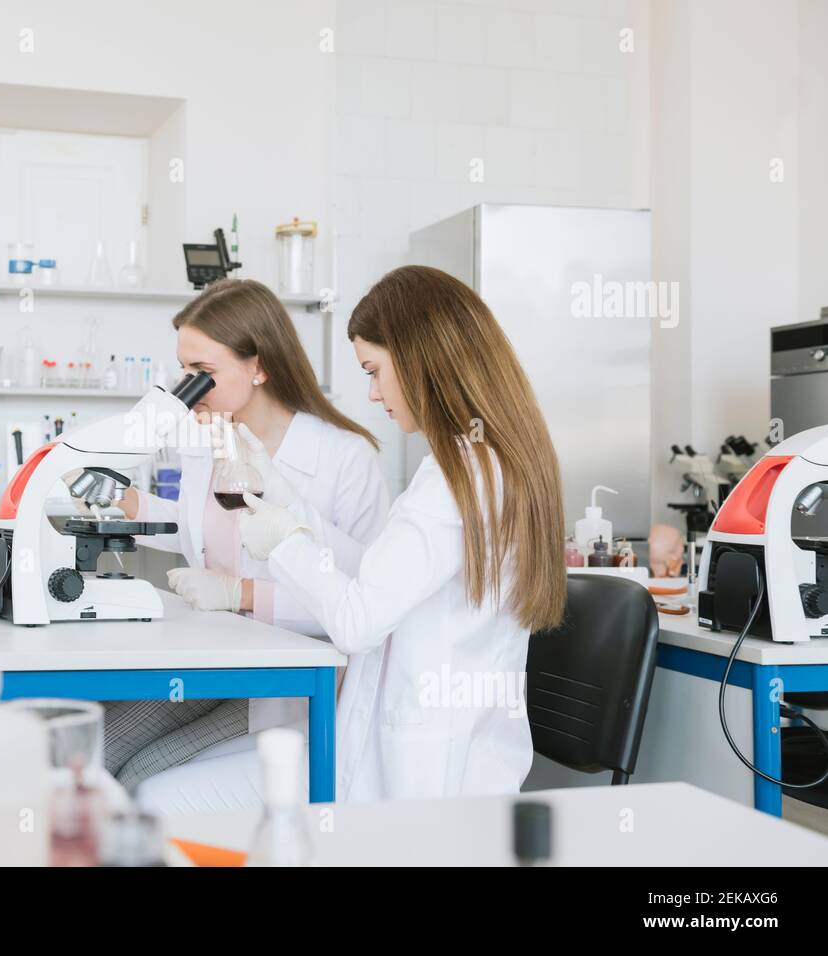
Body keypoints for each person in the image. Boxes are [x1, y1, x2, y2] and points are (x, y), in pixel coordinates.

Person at [134, 265, 566, 813]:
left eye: (375, 370)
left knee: (158, 796)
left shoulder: (457, 479)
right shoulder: (481, 464)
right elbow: (374, 569)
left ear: (420, 356)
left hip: (412, 768)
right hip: (394, 744)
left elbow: (356, 621)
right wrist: (287, 500)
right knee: (163, 782)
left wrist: (285, 542)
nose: (373, 392)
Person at [101, 278, 389, 792]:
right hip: (215, 657)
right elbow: (207, 533)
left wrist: (242, 595)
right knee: (97, 750)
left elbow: (364, 600)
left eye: (202, 373)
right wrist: (132, 505)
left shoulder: (344, 459)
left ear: (258, 366)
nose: (186, 389)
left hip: (281, 682)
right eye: (184, 371)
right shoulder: (210, 438)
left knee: (143, 776)